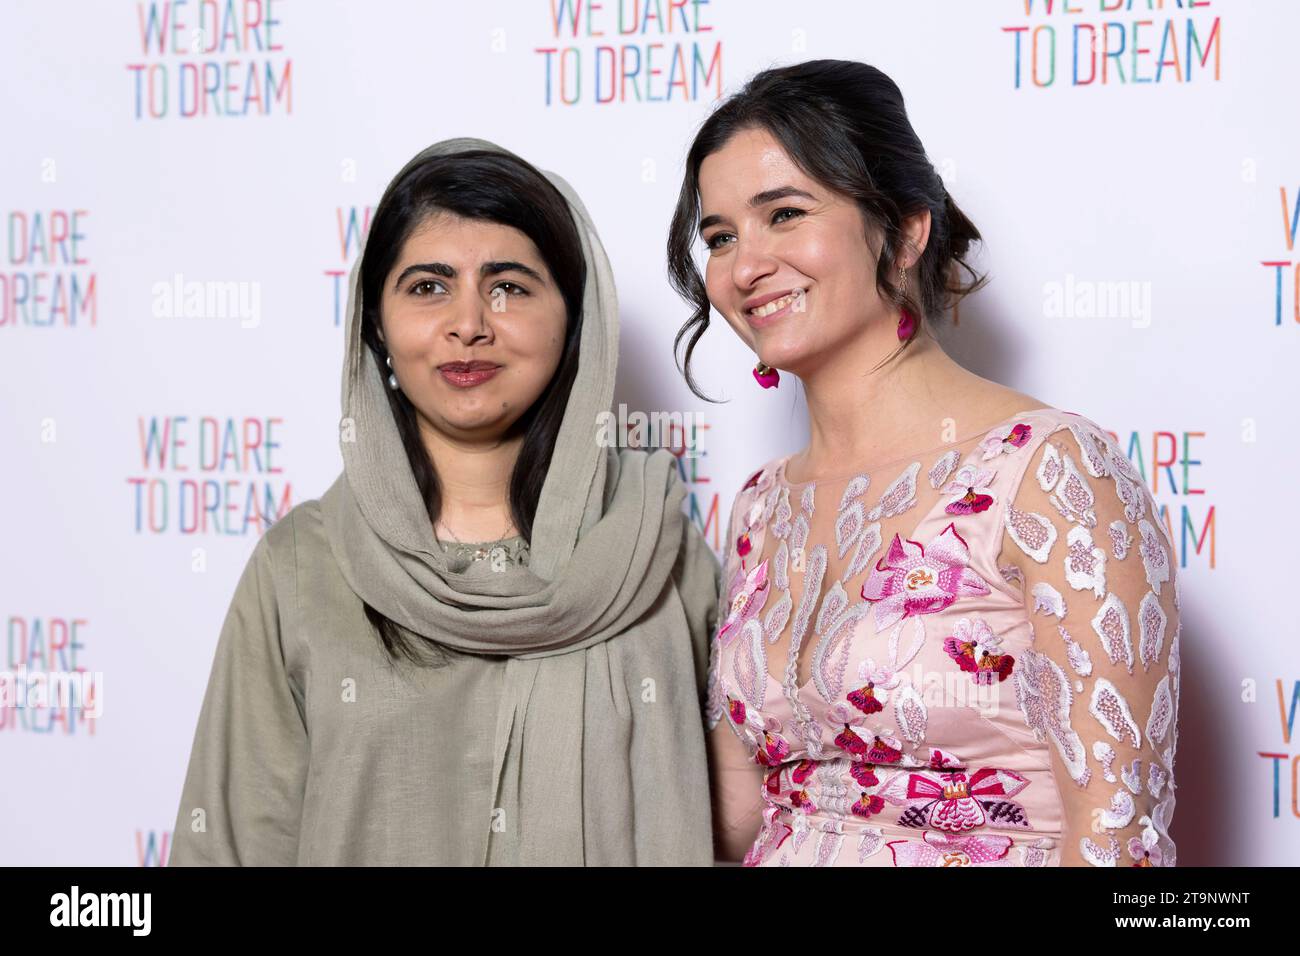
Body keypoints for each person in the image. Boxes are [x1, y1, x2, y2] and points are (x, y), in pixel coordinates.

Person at [667, 60, 1180, 867]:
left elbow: (1119, 845)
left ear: (907, 229)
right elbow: (737, 813)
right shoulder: (761, 506)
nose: (743, 267)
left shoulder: (1049, 471)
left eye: (785, 214)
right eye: (721, 237)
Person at [169, 136, 720, 866]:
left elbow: (750, 817)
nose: (469, 324)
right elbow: (232, 846)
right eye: (428, 286)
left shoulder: (659, 555)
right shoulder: (302, 567)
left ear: (575, 318)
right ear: (375, 324)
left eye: (510, 287)